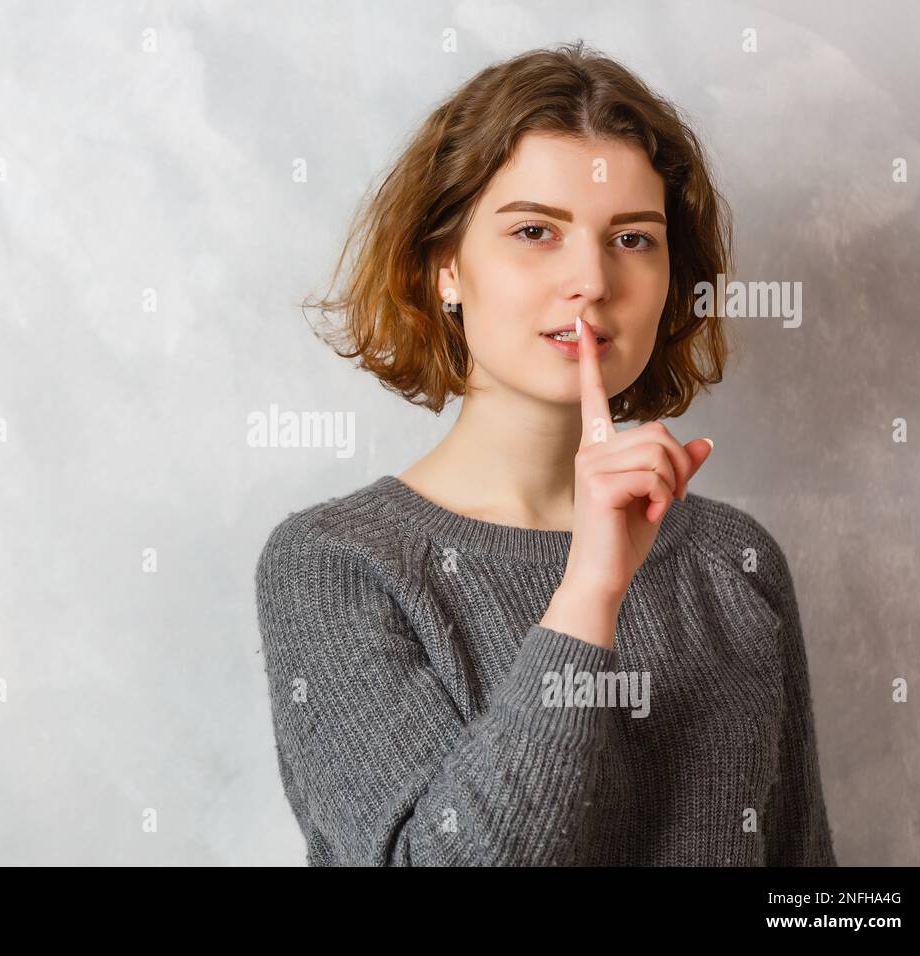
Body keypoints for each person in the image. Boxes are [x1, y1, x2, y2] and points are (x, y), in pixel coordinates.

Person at [253, 41, 837, 866]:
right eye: (535, 231)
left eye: (632, 239)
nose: (592, 279)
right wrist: (590, 593)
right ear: (444, 267)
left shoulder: (735, 561)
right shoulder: (335, 565)